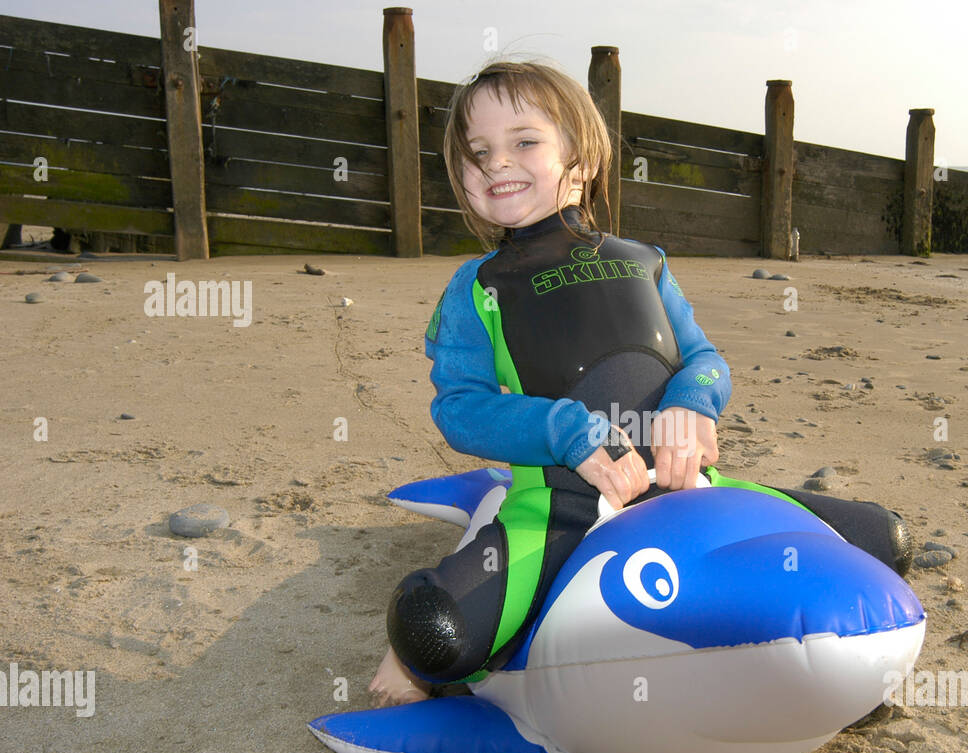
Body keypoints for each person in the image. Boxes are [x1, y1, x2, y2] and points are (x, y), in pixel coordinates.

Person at [370, 60, 912, 705]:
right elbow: (460, 410)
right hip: (564, 505)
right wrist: (567, 432)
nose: (495, 163)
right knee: (433, 634)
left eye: (524, 141)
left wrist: (692, 403)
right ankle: (418, 654)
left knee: (886, 540)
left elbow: (704, 358)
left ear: (580, 158)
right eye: (476, 152)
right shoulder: (477, 287)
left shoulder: (644, 262)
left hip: (687, 488)